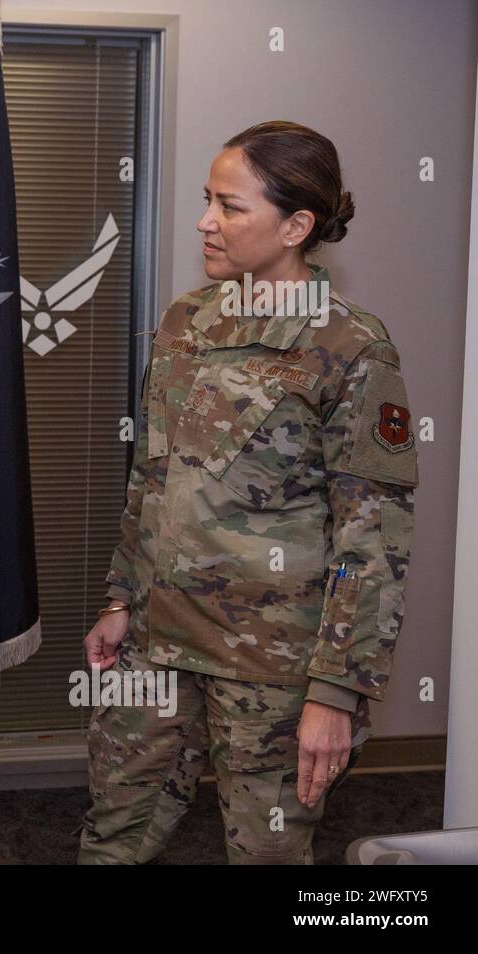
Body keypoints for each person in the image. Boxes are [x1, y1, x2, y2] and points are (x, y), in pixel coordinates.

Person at [78, 121, 418, 864]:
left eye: (230, 206)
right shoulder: (185, 322)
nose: (206, 221)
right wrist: (119, 601)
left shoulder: (350, 346)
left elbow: (374, 539)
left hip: (274, 669)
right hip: (157, 645)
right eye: (208, 201)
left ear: (297, 224)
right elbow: (153, 480)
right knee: (113, 838)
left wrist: (334, 693)